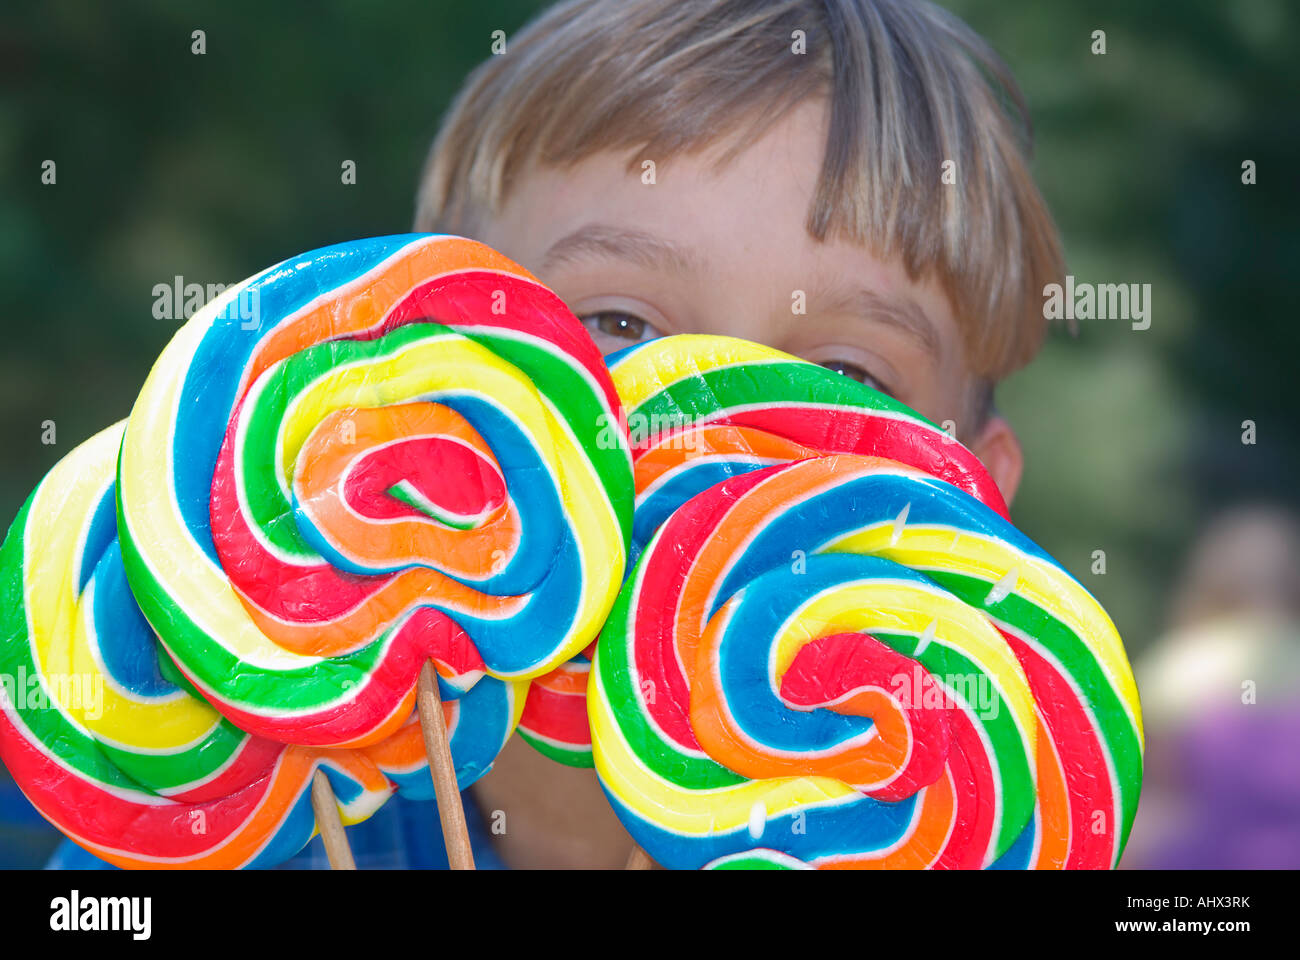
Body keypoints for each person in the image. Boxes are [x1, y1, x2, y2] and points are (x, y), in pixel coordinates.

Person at [48, 0, 1065, 869]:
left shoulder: (935, 828)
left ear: (974, 498)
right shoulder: (223, 805)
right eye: (619, 325)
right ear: (418, 373)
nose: (709, 433)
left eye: (841, 377)